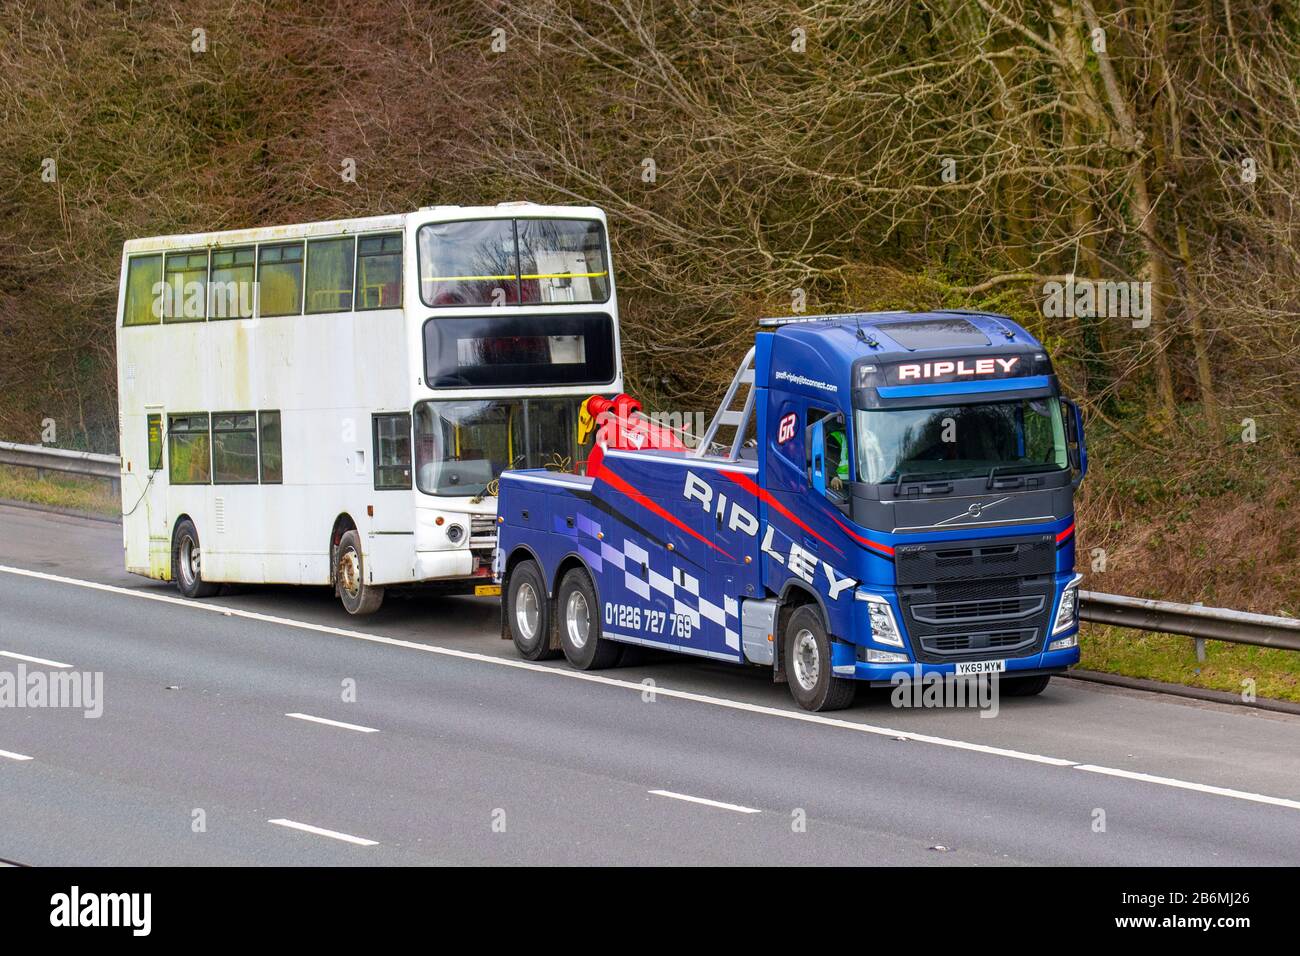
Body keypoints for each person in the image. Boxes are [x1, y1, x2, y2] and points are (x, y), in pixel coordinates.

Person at [827, 424, 850, 493]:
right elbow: (829, 457)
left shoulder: (866, 437)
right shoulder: (837, 436)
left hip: (862, 482)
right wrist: (833, 476)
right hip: (840, 483)